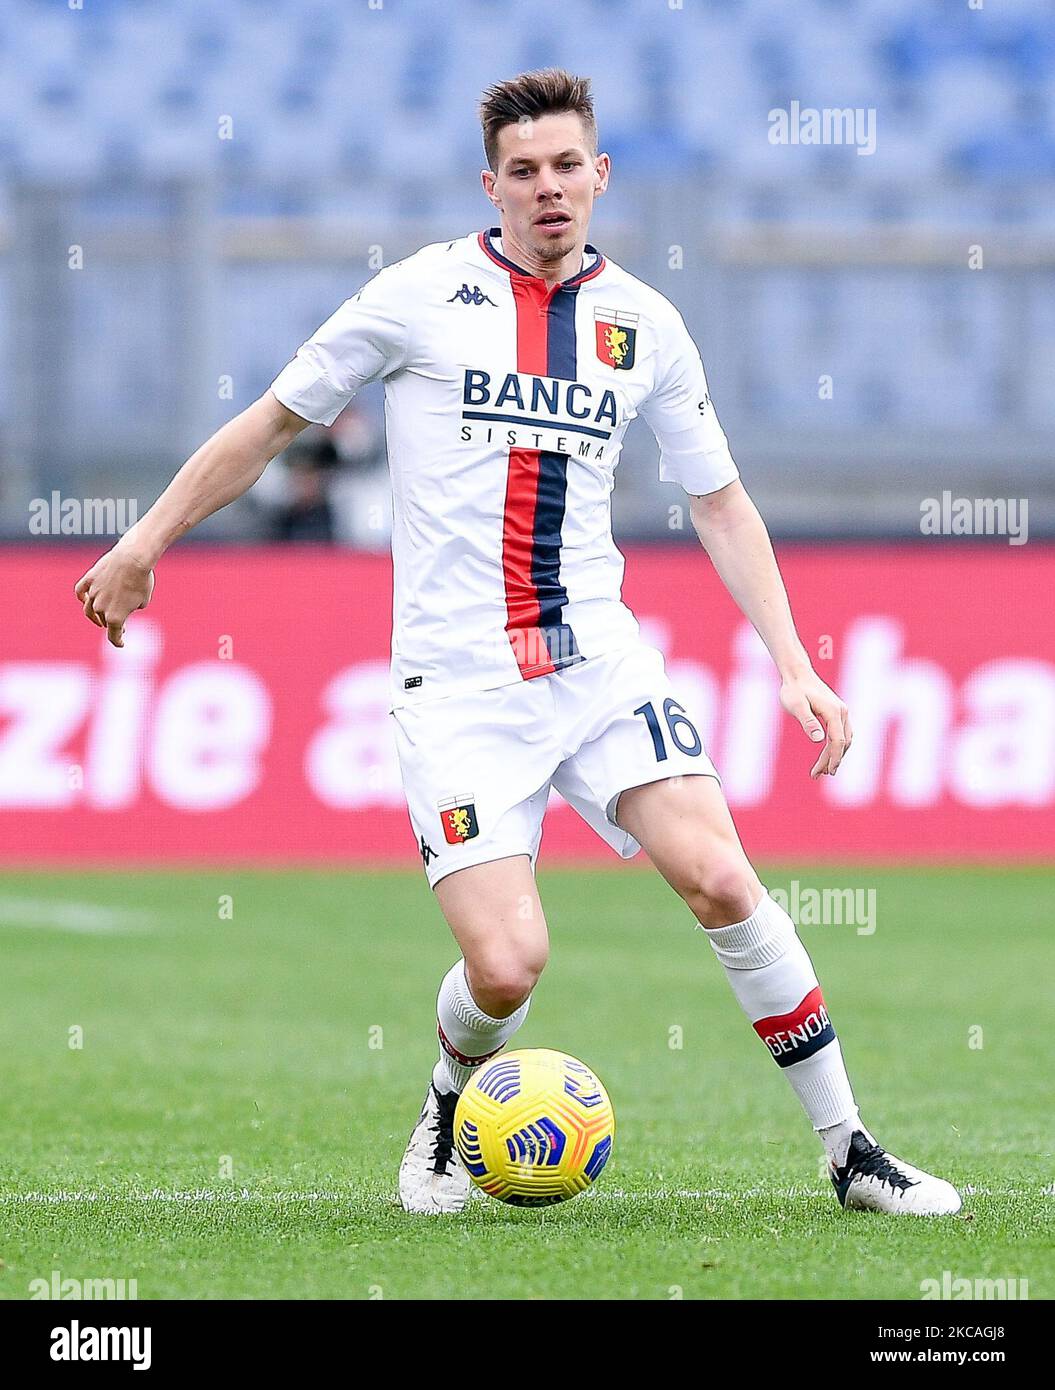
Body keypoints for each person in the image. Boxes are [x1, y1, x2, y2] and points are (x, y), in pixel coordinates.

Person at [75, 68, 961, 1219]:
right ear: (488, 183)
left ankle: (850, 1149)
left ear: (600, 176)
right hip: (456, 689)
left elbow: (719, 500)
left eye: (566, 168)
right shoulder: (414, 297)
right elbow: (270, 424)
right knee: (507, 966)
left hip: (596, 663)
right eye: (523, 171)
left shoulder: (644, 322)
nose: (548, 191)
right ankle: (449, 1102)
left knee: (722, 878)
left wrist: (792, 659)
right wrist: (147, 540)